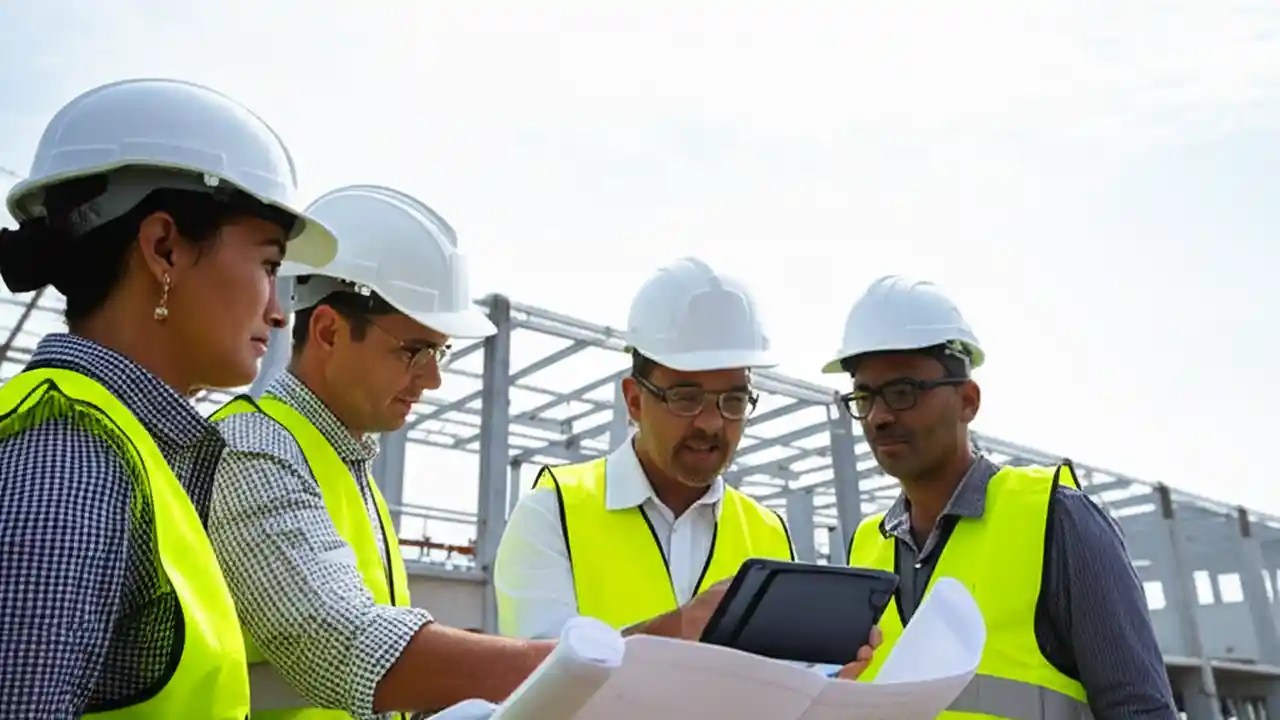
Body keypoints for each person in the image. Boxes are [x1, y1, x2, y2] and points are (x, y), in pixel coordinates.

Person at [0, 78, 338, 718]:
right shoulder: (70, 469)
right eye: (268, 267)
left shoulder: (123, 452)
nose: (279, 312)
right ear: (165, 248)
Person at [207, 185, 554, 719]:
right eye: (414, 351)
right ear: (328, 332)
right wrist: (567, 668)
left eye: (439, 352)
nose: (433, 378)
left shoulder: (345, 464)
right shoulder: (254, 449)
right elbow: (344, 641)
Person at [825, 275, 1179, 718]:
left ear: (968, 401)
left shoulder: (1056, 519)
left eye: (902, 392)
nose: (878, 416)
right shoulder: (865, 548)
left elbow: (1138, 708)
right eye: (864, 395)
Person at [493, 257, 798, 640]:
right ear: (634, 401)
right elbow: (539, 677)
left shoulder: (769, 533)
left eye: (733, 402)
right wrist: (678, 630)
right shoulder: (553, 512)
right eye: (686, 398)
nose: (711, 423)